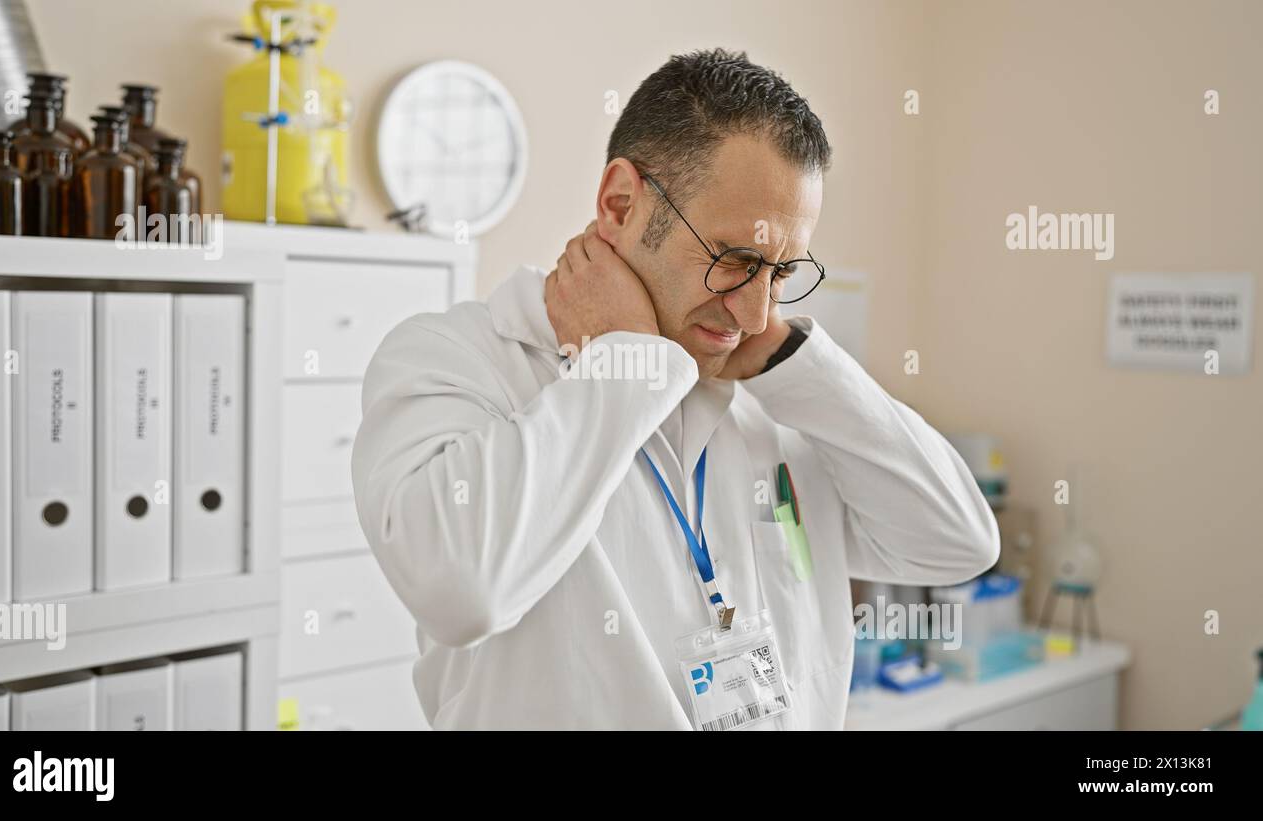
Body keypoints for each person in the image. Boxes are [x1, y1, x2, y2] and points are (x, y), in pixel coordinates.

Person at [351, 48, 999, 730]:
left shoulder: (774, 393)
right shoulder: (455, 359)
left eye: (779, 274)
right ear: (621, 203)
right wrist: (627, 365)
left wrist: (801, 364)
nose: (754, 314)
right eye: (734, 261)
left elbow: (957, 543)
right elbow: (463, 589)